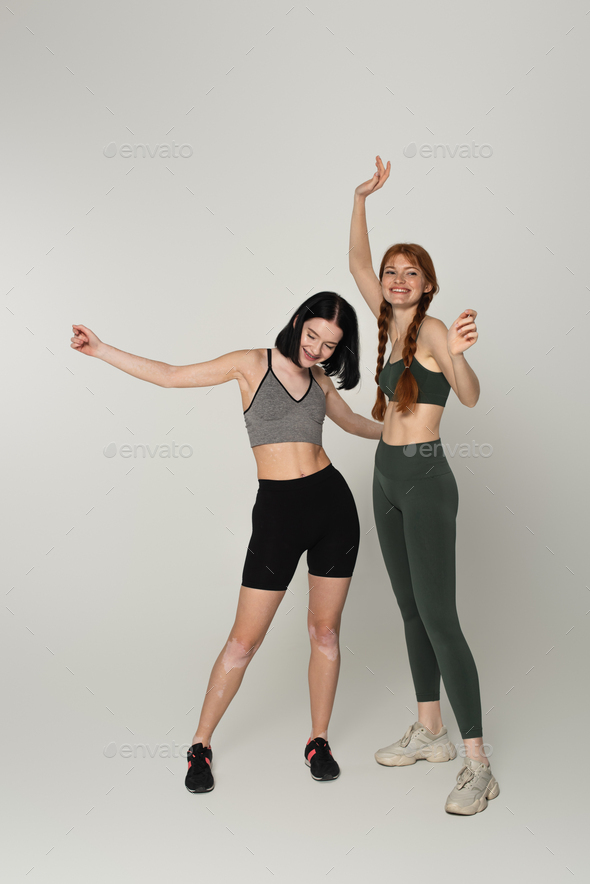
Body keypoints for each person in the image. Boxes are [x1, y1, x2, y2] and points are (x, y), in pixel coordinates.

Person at [71, 292, 383, 792]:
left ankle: (318, 740)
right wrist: (103, 349)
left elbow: (353, 423)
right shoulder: (249, 365)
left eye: (329, 345)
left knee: (325, 633)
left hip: (334, 509)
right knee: (243, 641)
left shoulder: (321, 379)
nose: (317, 351)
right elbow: (172, 374)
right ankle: (201, 744)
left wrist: (405, 432)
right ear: (299, 321)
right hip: (279, 514)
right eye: (312, 336)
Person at [348, 156, 500, 815]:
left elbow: (468, 397)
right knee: (410, 612)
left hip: (427, 478)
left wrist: (460, 355)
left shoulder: (434, 330)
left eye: (411, 272)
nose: (397, 279)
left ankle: (477, 765)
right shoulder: (389, 324)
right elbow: (356, 262)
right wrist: (359, 200)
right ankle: (429, 732)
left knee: (441, 618)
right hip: (384, 476)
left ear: (428, 283)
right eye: (392, 272)